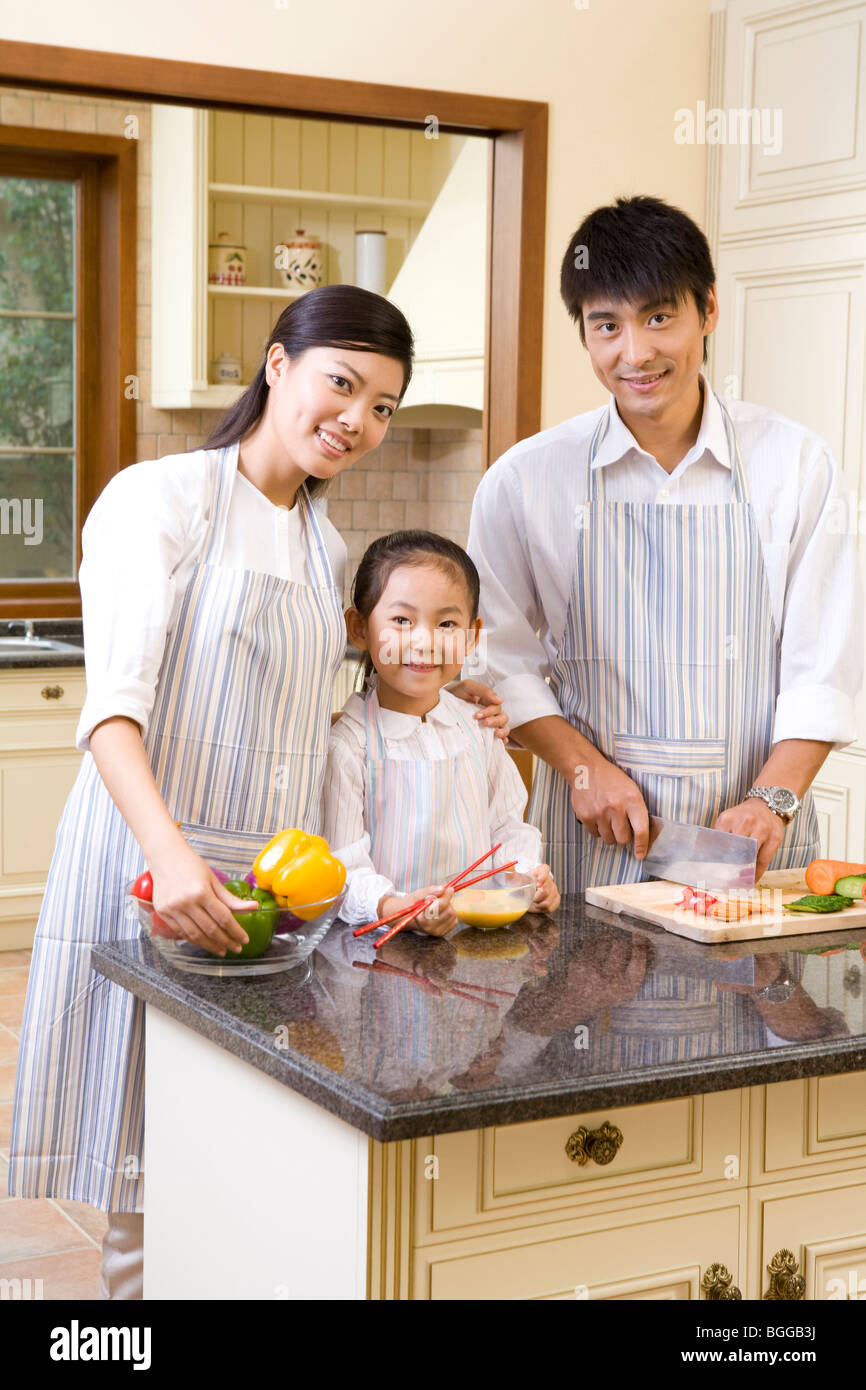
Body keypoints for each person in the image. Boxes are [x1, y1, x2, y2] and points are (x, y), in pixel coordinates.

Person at [7, 286, 506, 1299]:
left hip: (273, 891)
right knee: (144, 1168)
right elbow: (112, 711)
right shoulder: (163, 499)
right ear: (276, 364)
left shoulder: (323, 548)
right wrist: (171, 855)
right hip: (155, 867)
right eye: (341, 384)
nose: (356, 420)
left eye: (381, 405)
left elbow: (322, 701)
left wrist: (457, 694)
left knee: (231, 1148)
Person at [466, 196, 863, 895]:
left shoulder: (797, 465)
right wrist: (582, 771)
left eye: (659, 317)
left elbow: (822, 668)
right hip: (589, 843)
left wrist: (769, 803)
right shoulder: (525, 480)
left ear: (708, 310)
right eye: (606, 326)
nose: (636, 352)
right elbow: (498, 659)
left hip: (755, 846)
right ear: (584, 333)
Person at [322, 530, 561, 935]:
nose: (425, 640)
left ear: (471, 636)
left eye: (447, 623)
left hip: (478, 949)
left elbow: (507, 826)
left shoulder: (479, 728)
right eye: (401, 620)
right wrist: (395, 905)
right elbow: (343, 867)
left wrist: (526, 879)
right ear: (359, 628)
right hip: (383, 952)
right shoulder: (348, 745)